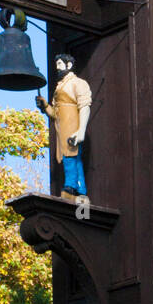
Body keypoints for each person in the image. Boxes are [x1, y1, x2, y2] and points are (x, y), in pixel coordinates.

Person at [36, 53, 91, 201]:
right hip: (62, 126)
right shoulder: (59, 87)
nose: (57, 68)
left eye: (60, 64)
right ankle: (81, 190)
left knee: (70, 156)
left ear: (69, 65)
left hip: (72, 124)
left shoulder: (78, 83)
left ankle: (71, 186)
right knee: (73, 156)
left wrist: (81, 131)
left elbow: (85, 106)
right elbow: (55, 113)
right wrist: (45, 106)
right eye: (57, 65)